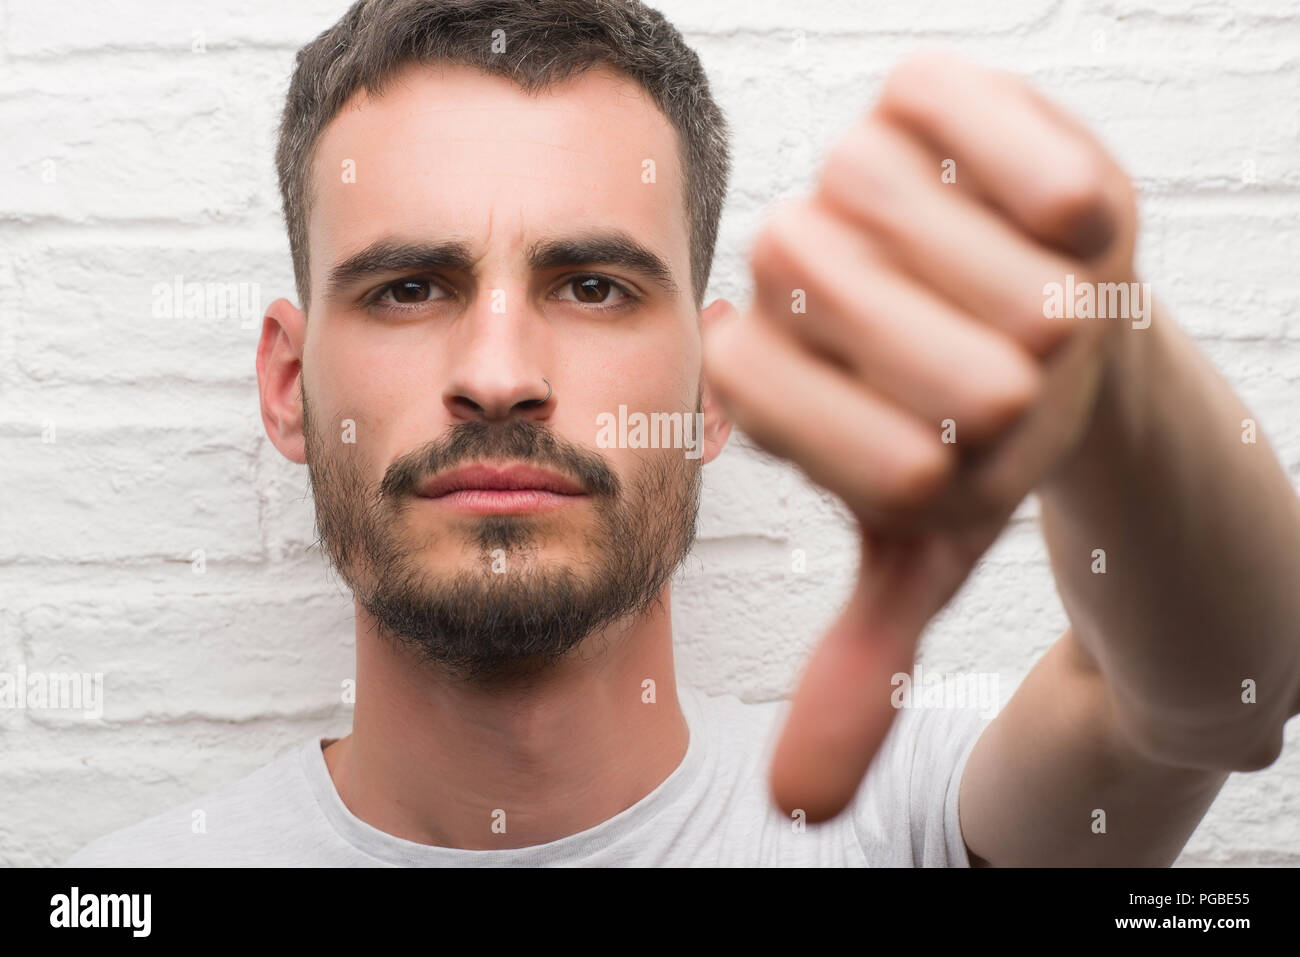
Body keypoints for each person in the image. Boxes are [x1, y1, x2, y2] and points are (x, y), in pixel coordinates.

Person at [67, 0, 1300, 867]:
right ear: (288, 386)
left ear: (711, 385)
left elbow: (1216, 702)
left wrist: (1109, 371)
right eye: (409, 288)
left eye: (591, 286)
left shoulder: (901, 828)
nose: (498, 376)